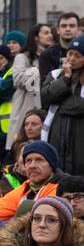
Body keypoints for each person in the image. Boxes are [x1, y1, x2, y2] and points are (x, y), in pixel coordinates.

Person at [41, 34, 84, 176]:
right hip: (57, 136)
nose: (72, 59)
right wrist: (65, 79)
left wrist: (59, 103)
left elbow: (80, 106)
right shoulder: (55, 75)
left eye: (77, 55)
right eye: (70, 54)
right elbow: (45, 97)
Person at [7, 27, 44, 155]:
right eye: (46, 32)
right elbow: (17, 79)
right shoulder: (22, 57)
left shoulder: (52, 56)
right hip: (26, 108)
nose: (50, 35)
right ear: (36, 37)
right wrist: (37, 71)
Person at [38, 11, 79, 85]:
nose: (67, 29)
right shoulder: (47, 55)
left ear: (78, 29)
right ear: (57, 30)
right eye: (64, 26)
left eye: (72, 26)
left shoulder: (82, 52)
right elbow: (46, 89)